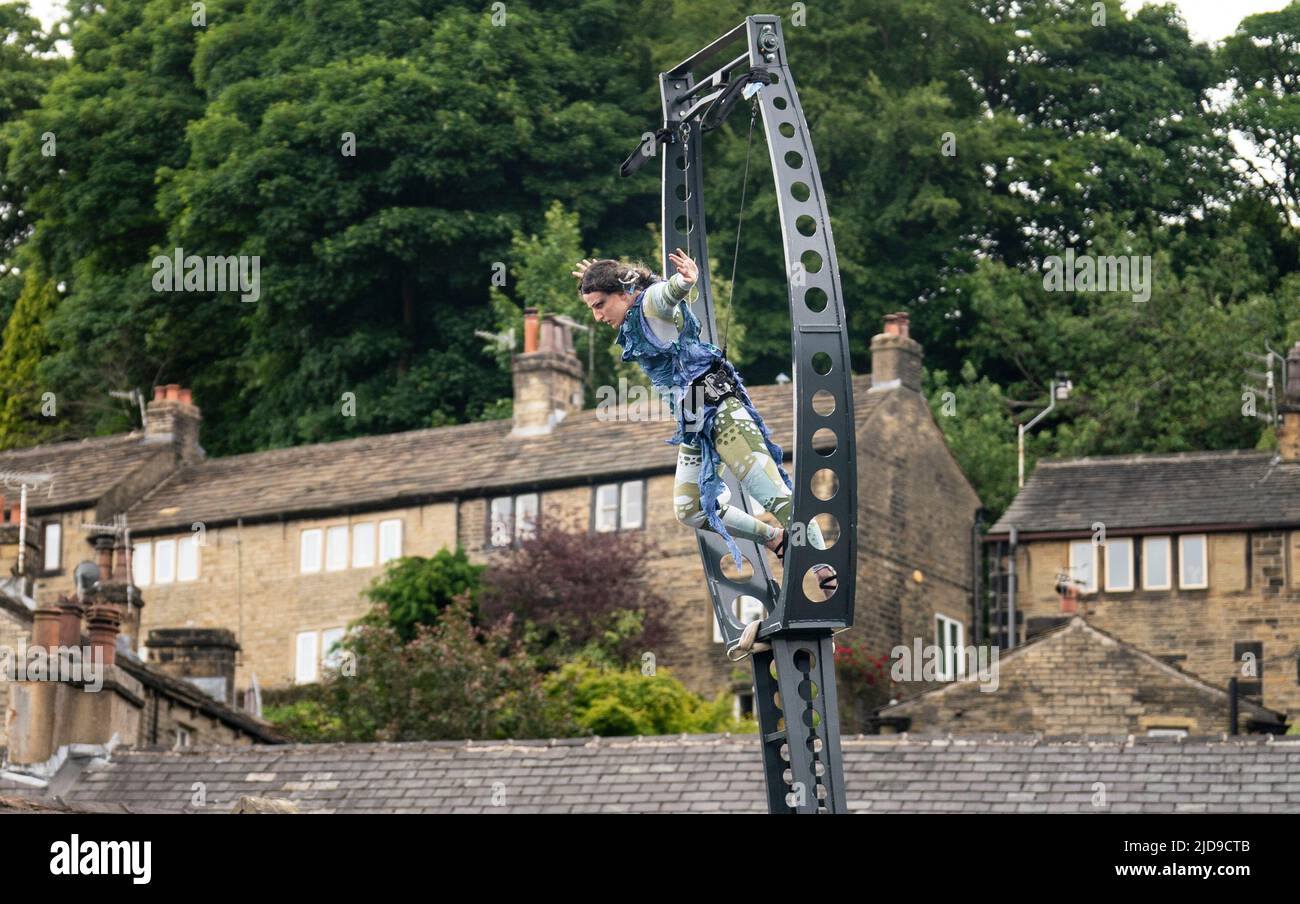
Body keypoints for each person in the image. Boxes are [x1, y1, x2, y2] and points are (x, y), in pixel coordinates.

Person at [573, 249, 836, 657]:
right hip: (696, 425)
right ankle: (775, 539)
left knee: (771, 492)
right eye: (591, 308)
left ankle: (822, 562)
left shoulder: (650, 306)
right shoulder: (632, 314)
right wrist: (593, 273)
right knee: (690, 508)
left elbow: (667, 294)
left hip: (721, 410)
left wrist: (685, 282)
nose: (597, 316)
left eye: (599, 305)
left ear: (623, 294)